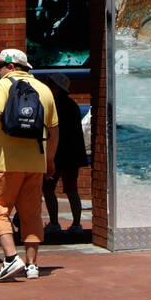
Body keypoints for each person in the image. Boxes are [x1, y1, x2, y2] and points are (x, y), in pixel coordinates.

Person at [0, 48, 58, 282]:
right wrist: (49, 161)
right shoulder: (44, 89)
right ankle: (32, 265)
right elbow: (54, 130)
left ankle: (11, 257)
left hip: (4, 162)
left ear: (11, 67)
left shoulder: (4, 85)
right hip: (35, 163)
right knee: (31, 213)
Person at [42, 73, 88, 236]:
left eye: (49, 83)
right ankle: (76, 224)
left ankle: (54, 223)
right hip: (73, 154)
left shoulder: (53, 106)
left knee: (48, 189)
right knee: (72, 190)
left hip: (57, 154)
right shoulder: (72, 105)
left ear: (55, 87)